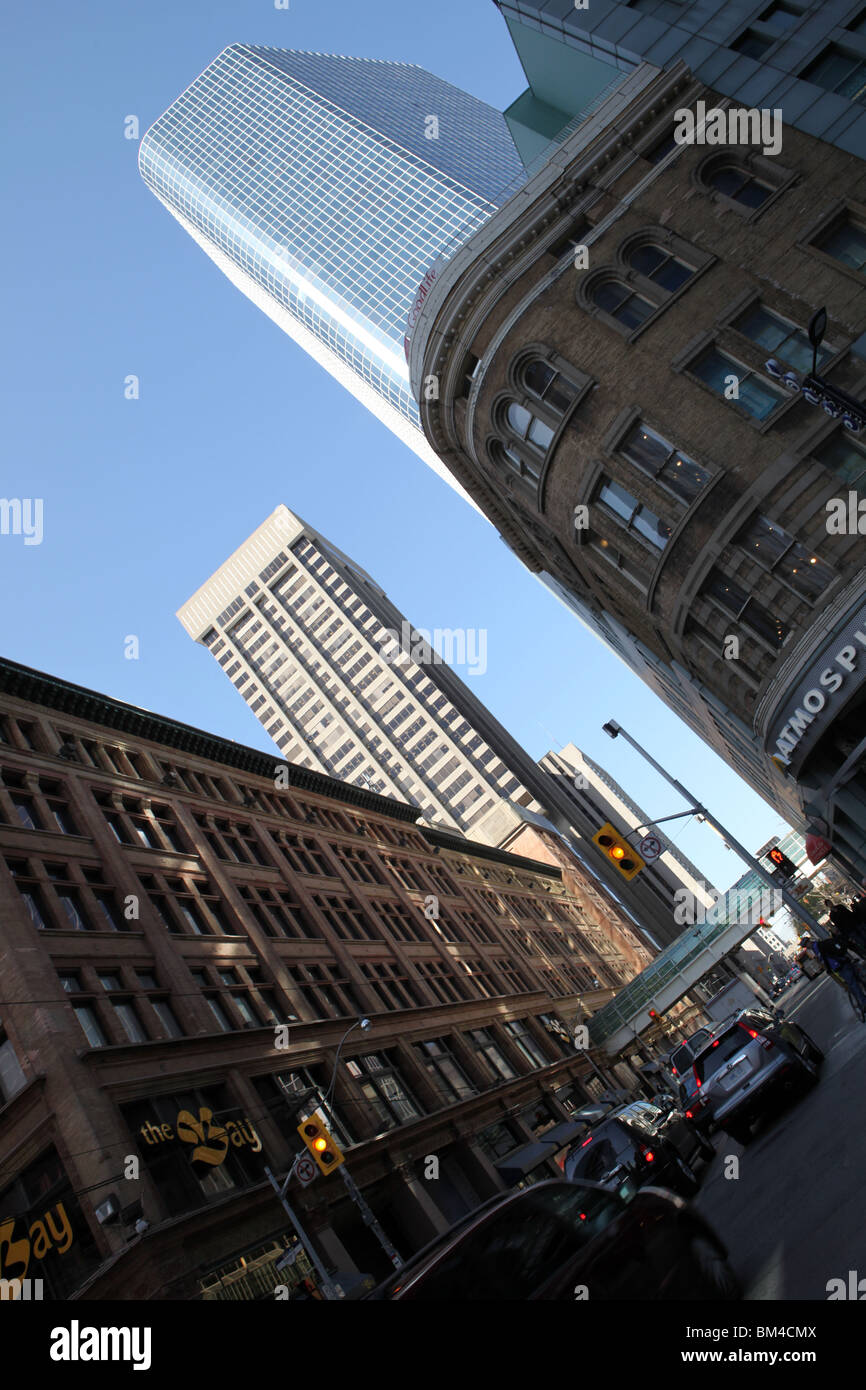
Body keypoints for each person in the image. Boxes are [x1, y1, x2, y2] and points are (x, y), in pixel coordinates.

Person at [809, 932, 866, 1014]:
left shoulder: (817, 948)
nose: (808, 947)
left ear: (809, 943)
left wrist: (829, 970)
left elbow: (825, 960)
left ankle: (864, 1003)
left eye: (807, 945)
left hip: (839, 966)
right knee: (858, 978)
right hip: (844, 960)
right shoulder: (823, 943)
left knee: (853, 985)